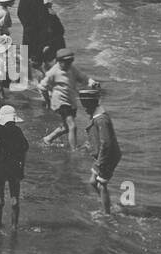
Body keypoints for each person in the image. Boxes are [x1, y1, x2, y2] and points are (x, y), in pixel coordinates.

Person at [80, 85, 121, 214]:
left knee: (101, 184)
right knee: (93, 181)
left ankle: (106, 213)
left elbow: (107, 143)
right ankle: (107, 203)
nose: (84, 108)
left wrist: (100, 162)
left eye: (86, 105)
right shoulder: (97, 116)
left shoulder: (101, 119)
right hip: (102, 156)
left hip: (107, 156)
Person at [39, 47, 90, 148]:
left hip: (70, 101)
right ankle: (74, 149)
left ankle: (48, 139)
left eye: (70, 61)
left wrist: (92, 83)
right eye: (66, 62)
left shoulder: (72, 69)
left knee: (66, 127)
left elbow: (82, 77)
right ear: (59, 61)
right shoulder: (54, 72)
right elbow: (42, 86)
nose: (68, 64)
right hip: (60, 102)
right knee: (72, 126)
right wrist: (47, 100)